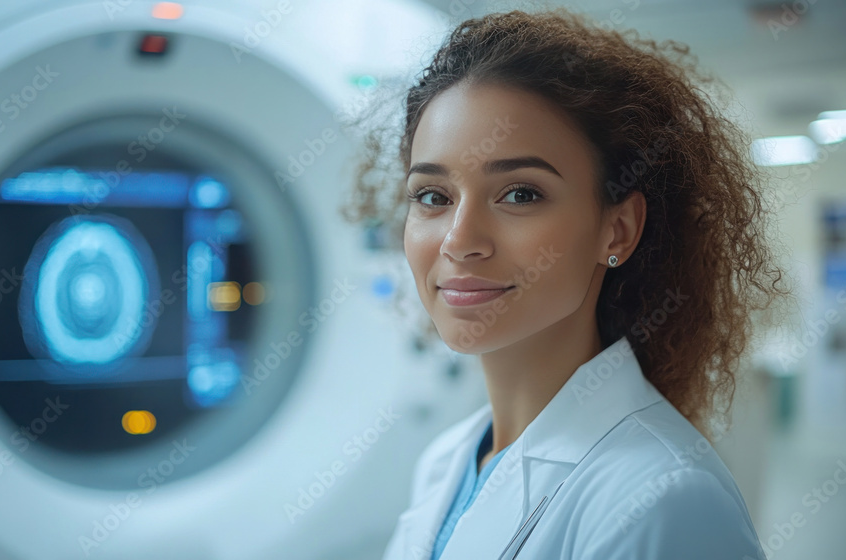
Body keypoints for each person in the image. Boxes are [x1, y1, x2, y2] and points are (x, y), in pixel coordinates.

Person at [340, 7, 794, 560]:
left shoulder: (665, 499)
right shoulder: (448, 461)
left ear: (618, 228)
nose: (459, 241)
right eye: (433, 197)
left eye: (520, 194)